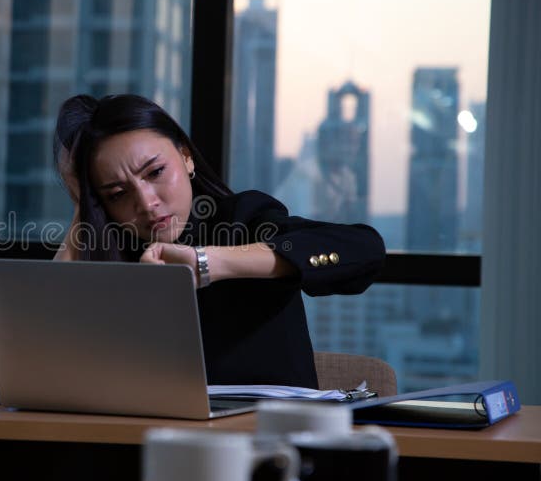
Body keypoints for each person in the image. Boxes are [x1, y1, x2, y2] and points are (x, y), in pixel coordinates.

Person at [51, 93, 386, 388]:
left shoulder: (242, 218)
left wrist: (209, 263)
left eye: (155, 173)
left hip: (264, 439)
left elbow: (364, 249)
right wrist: (82, 204)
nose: (146, 202)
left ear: (186, 157)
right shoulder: (112, 250)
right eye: (117, 193)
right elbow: (49, 350)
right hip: (150, 440)